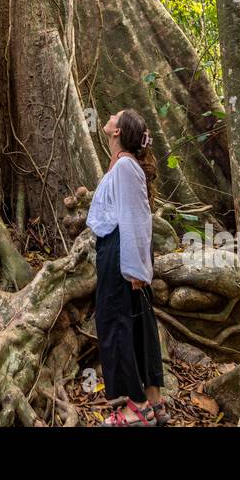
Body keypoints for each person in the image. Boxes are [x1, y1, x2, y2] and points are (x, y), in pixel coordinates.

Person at [88, 108, 170, 426]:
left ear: (118, 131)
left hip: (119, 254)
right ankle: (153, 402)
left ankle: (135, 408)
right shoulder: (124, 165)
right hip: (123, 253)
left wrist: (136, 269)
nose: (108, 116)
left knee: (116, 324)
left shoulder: (124, 166)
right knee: (137, 324)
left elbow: (136, 219)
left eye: (114, 116)